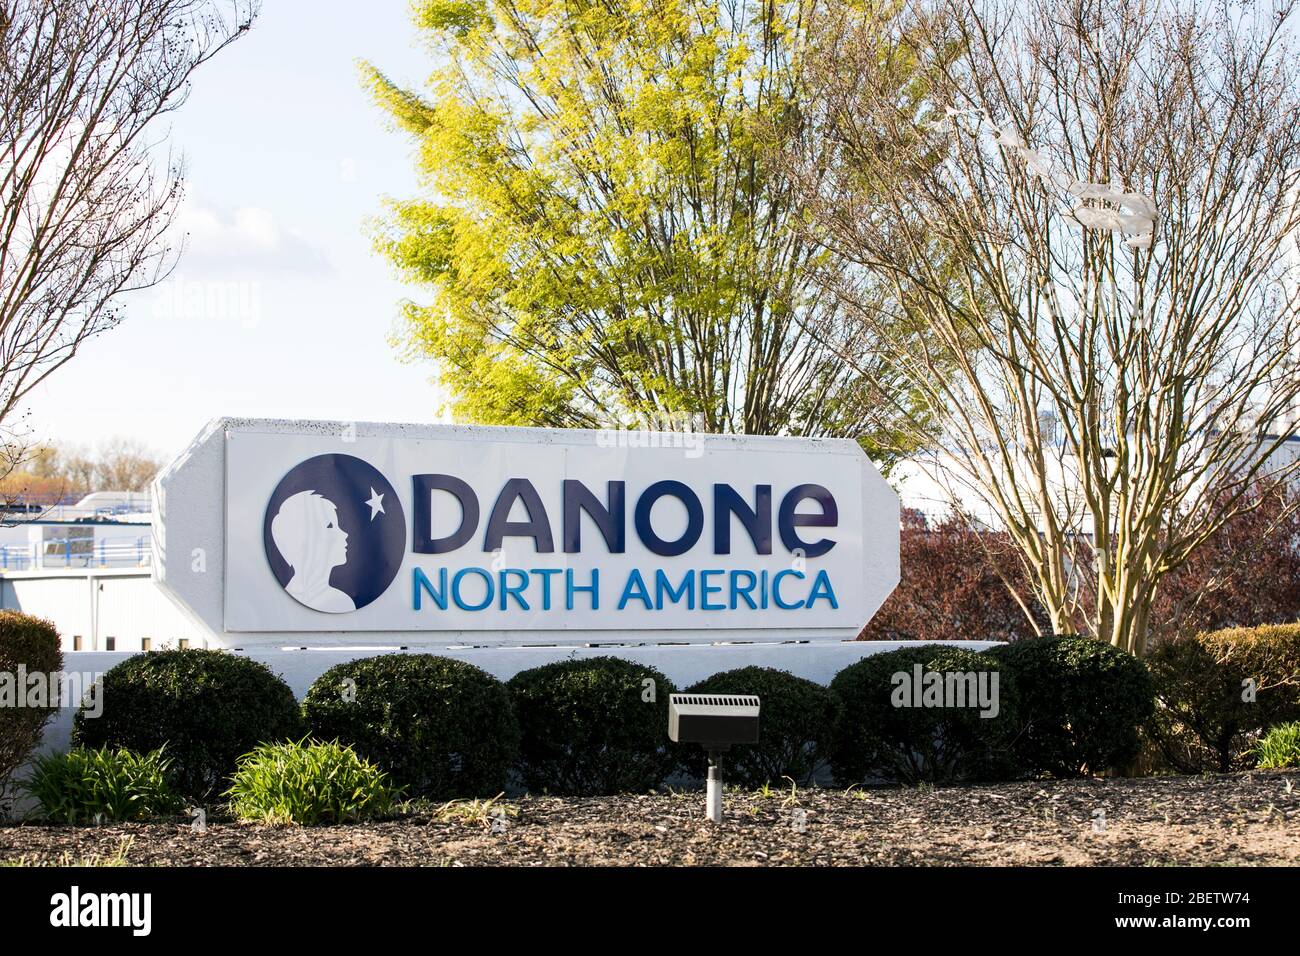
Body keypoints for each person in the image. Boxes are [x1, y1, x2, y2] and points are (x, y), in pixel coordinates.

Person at [271, 490, 355, 612]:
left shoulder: (287, 597)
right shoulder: (340, 602)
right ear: (306, 539)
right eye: (331, 526)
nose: (345, 534)